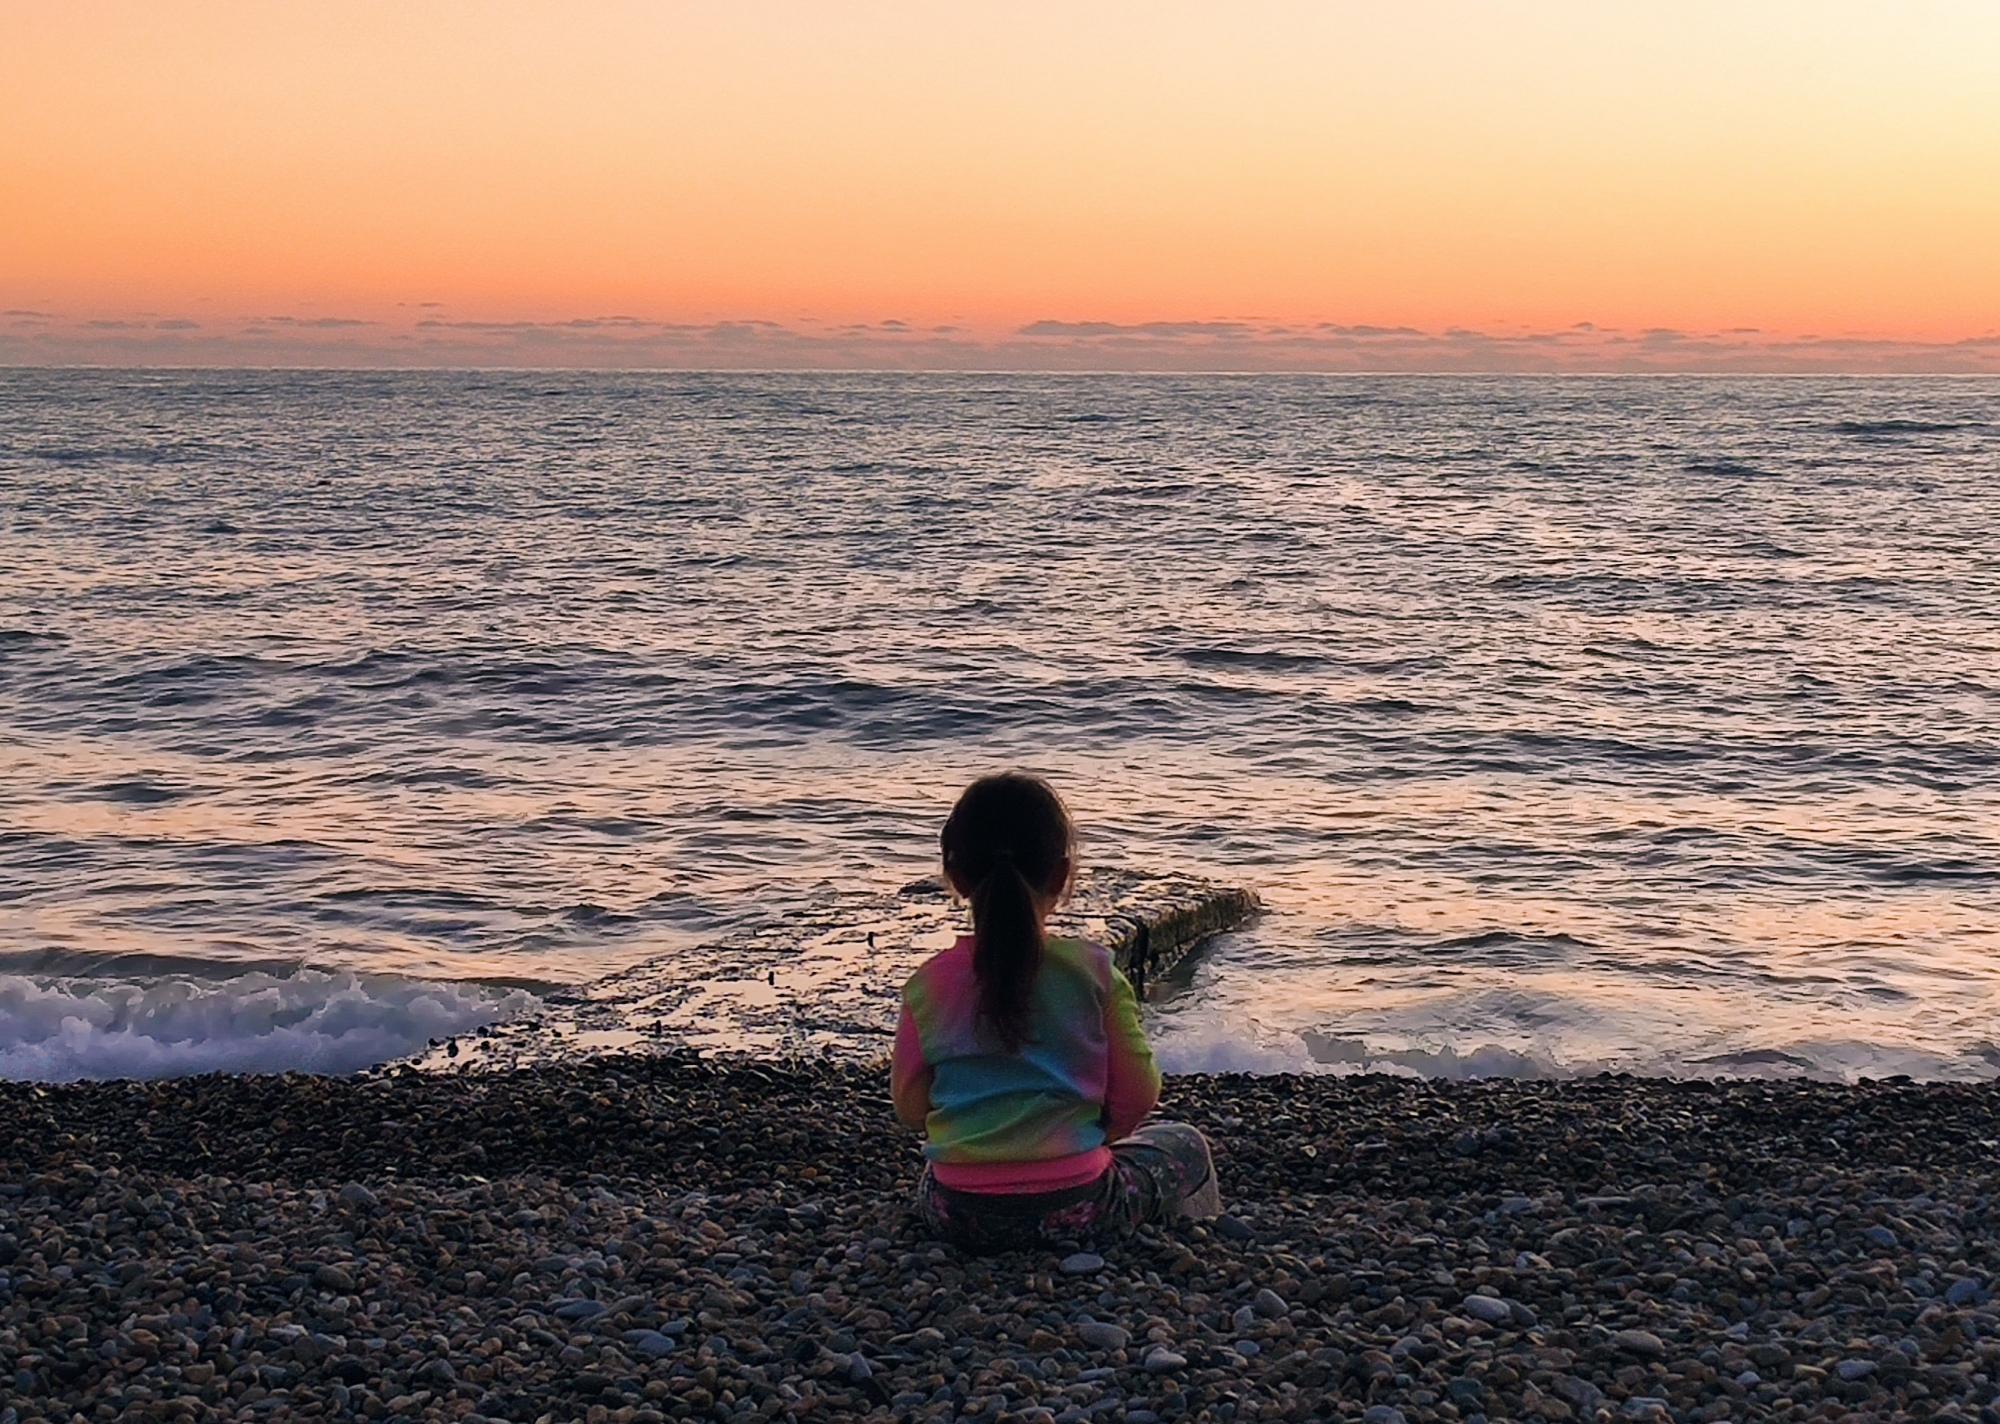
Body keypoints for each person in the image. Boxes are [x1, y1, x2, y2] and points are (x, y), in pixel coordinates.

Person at [891, 771, 1221, 1251]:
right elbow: (1138, 1095)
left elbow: (910, 1108)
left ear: (956, 876)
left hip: (957, 1212)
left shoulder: (929, 983)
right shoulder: (1093, 973)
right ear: (1062, 874)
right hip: (1078, 1204)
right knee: (1186, 1142)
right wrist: (1098, 1137)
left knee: (941, 1172)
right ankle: (1195, 1238)